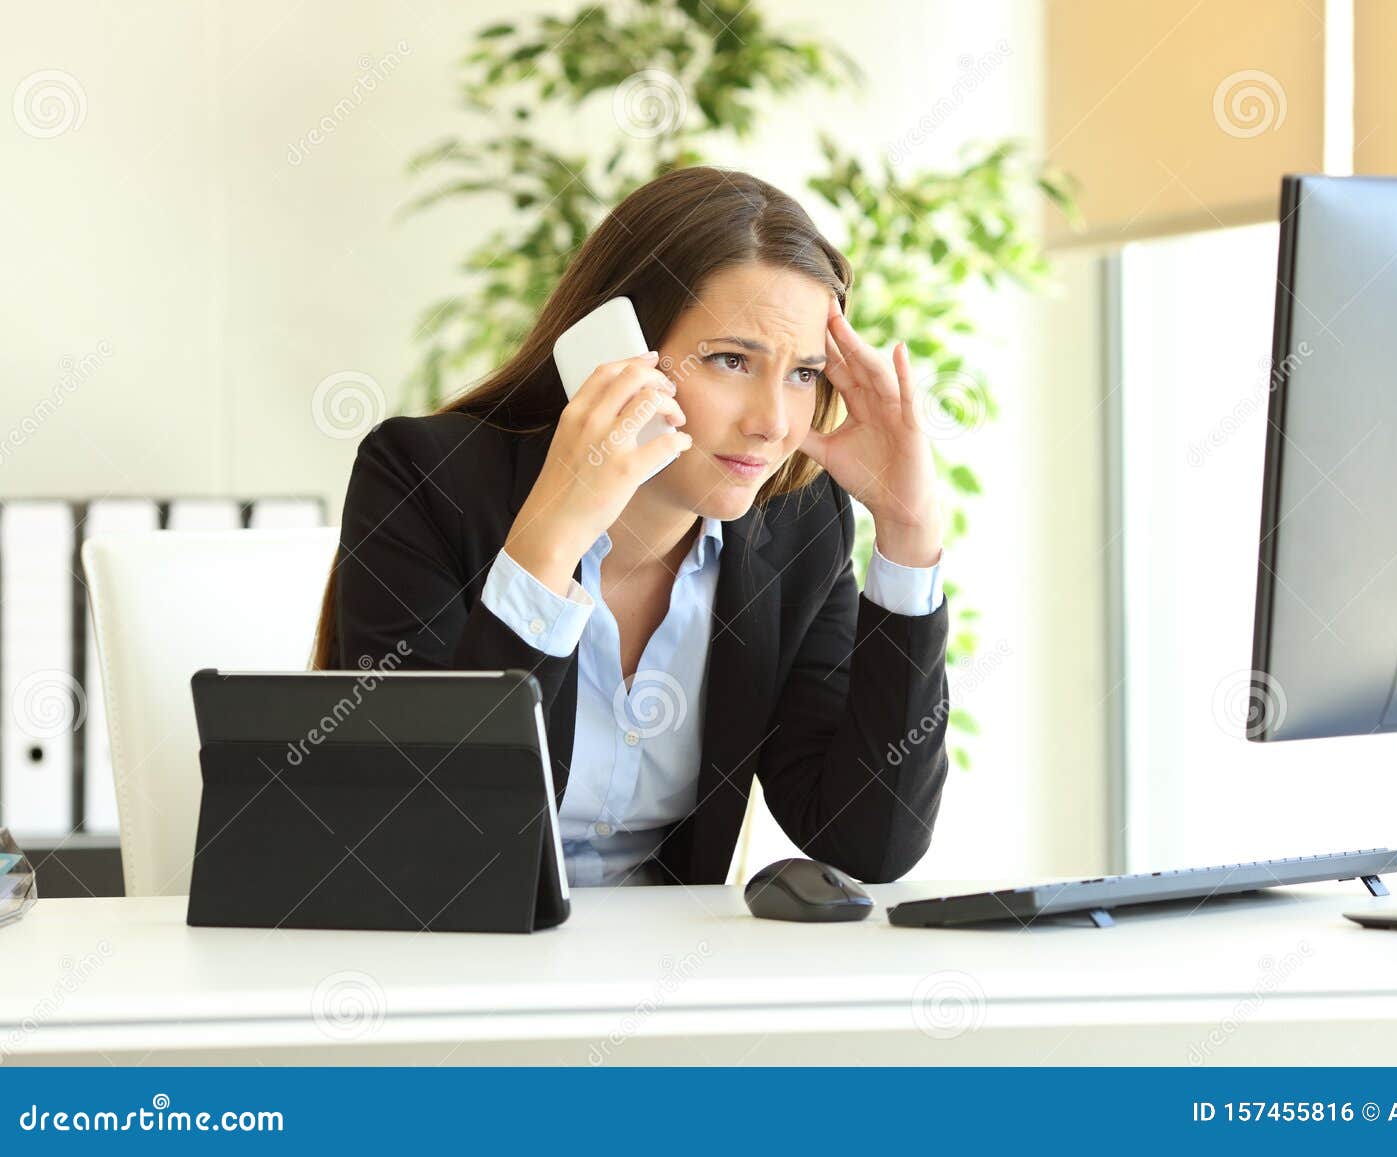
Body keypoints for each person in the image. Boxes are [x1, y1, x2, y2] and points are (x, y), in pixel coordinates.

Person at [313, 166, 950, 887]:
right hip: (462, 943)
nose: (773, 423)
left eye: (804, 373)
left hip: (665, 952)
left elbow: (869, 841)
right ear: (612, 350)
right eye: (732, 360)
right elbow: (423, 840)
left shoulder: (798, 525)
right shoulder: (426, 481)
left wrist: (909, 535)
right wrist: (551, 539)